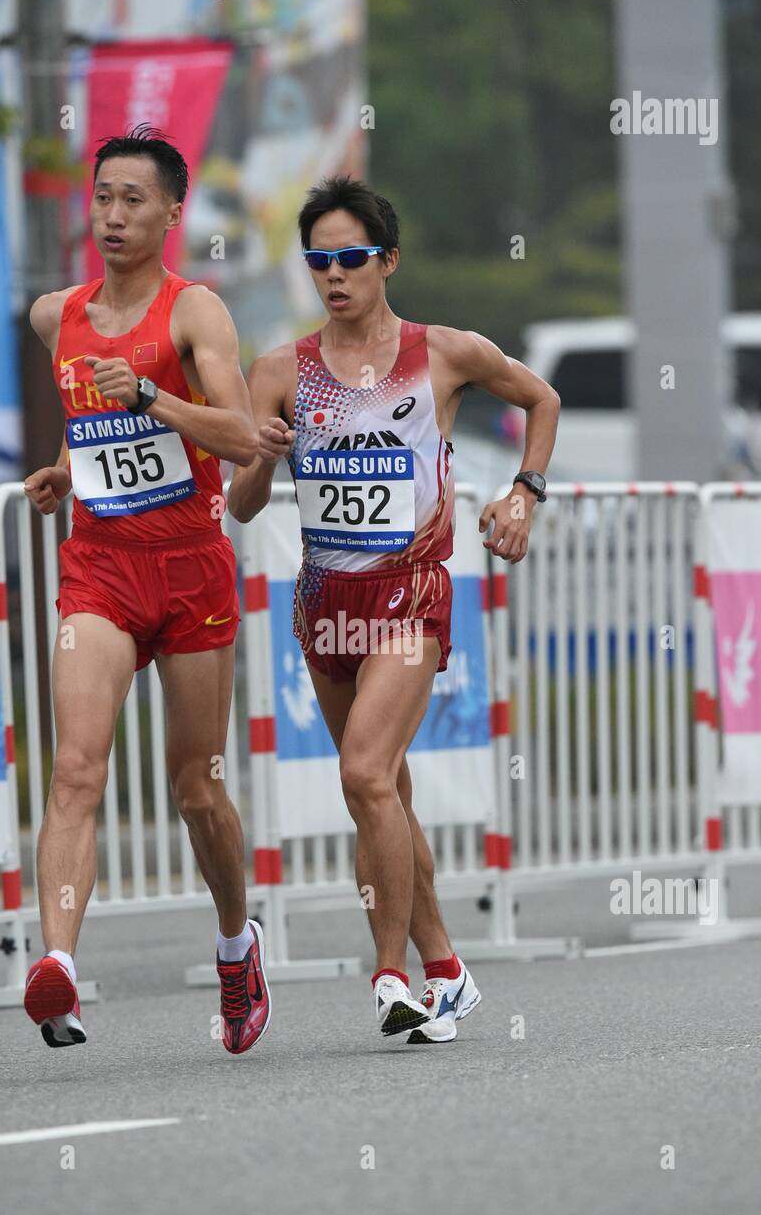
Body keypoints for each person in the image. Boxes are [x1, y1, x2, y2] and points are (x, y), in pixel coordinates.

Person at [228, 176, 560, 1043]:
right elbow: (242, 506)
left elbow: (540, 399)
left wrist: (522, 493)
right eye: (317, 261)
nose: (332, 275)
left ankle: (388, 977)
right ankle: (446, 970)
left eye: (350, 258)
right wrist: (262, 460)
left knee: (364, 776)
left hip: (410, 597)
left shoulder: (442, 353)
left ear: (388, 261)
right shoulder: (278, 372)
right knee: (388, 798)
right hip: (325, 606)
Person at [23, 125, 270, 1055]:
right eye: (102, 198)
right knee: (78, 766)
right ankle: (58, 968)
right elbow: (83, 415)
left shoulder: (195, 311)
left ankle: (236, 944)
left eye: (134, 199)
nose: (113, 215)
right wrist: (60, 469)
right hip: (100, 566)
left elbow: (243, 440)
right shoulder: (58, 314)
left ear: (172, 211)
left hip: (191, 566)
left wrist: (150, 400)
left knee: (195, 788)